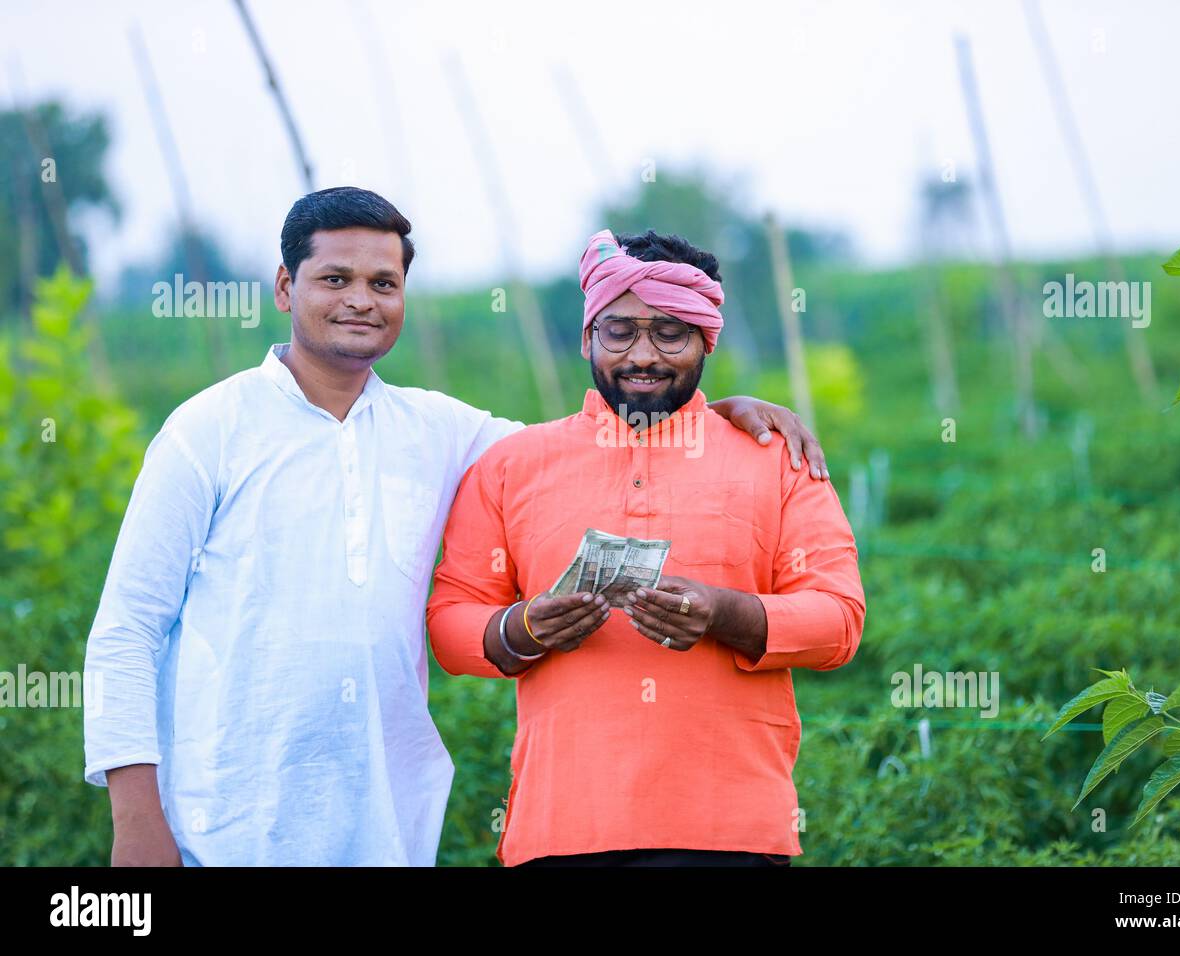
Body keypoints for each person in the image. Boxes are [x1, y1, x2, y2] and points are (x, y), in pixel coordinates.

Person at [83, 188, 829, 866]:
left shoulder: (437, 429)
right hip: (223, 812)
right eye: (334, 279)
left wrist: (720, 410)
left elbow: (588, 443)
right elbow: (126, 631)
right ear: (285, 287)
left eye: (384, 283)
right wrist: (137, 819)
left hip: (385, 819)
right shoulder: (208, 430)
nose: (361, 301)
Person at [426, 228, 866, 866]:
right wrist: (524, 628)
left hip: (730, 830)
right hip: (561, 829)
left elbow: (840, 620)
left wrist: (724, 613)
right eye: (620, 331)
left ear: (705, 341)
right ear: (587, 337)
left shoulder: (777, 458)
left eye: (671, 333)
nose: (643, 354)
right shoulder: (511, 465)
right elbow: (450, 624)